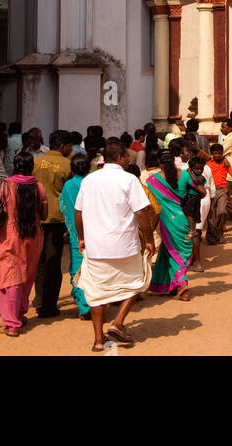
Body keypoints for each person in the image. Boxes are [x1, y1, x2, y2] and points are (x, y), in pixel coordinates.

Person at [74, 138, 155, 350]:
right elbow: (141, 212)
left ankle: (99, 340)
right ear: (119, 157)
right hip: (124, 246)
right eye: (126, 156)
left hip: (96, 247)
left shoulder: (89, 180)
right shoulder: (129, 180)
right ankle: (118, 322)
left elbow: (78, 212)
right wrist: (149, 239)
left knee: (95, 292)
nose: (129, 159)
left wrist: (82, 237)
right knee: (139, 281)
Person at [0, 151, 48, 336]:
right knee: (26, 275)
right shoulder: (38, 187)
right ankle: (20, 314)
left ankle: (12, 323)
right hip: (33, 236)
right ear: (31, 166)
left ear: (14, 166)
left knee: (9, 277)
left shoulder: (3, 186)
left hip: (9, 235)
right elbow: (44, 214)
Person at [32, 129, 72, 317]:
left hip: (36, 215)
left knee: (39, 260)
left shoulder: (36, 162)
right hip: (57, 217)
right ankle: (49, 304)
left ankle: (39, 298)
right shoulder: (68, 164)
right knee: (53, 261)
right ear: (63, 146)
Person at [148, 149, 195, 299]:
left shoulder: (153, 180)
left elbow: (150, 204)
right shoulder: (186, 175)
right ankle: (171, 285)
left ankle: (182, 284)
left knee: (174, 253)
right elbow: (199, 192)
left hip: (165, 222)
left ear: (159, 163)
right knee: (176, 252)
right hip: (183, 220)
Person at [59, 153, 91, 320]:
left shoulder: (68, 185)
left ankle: (84, 306)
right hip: (96, 232)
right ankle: (95, 302)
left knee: (77, 269)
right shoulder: (93, 182)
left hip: (76, 234)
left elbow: (63, 206)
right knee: (95, 268)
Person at [205, 144, 232, 244]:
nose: (218, 155)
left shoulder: (225, 163)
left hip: (222, 190)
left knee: (222, 212)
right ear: (212, 154)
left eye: (220, 153)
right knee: (211, 216)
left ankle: (219, 232)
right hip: (211, 191)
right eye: (215, 153)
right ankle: (213, 236)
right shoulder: (208, 165)